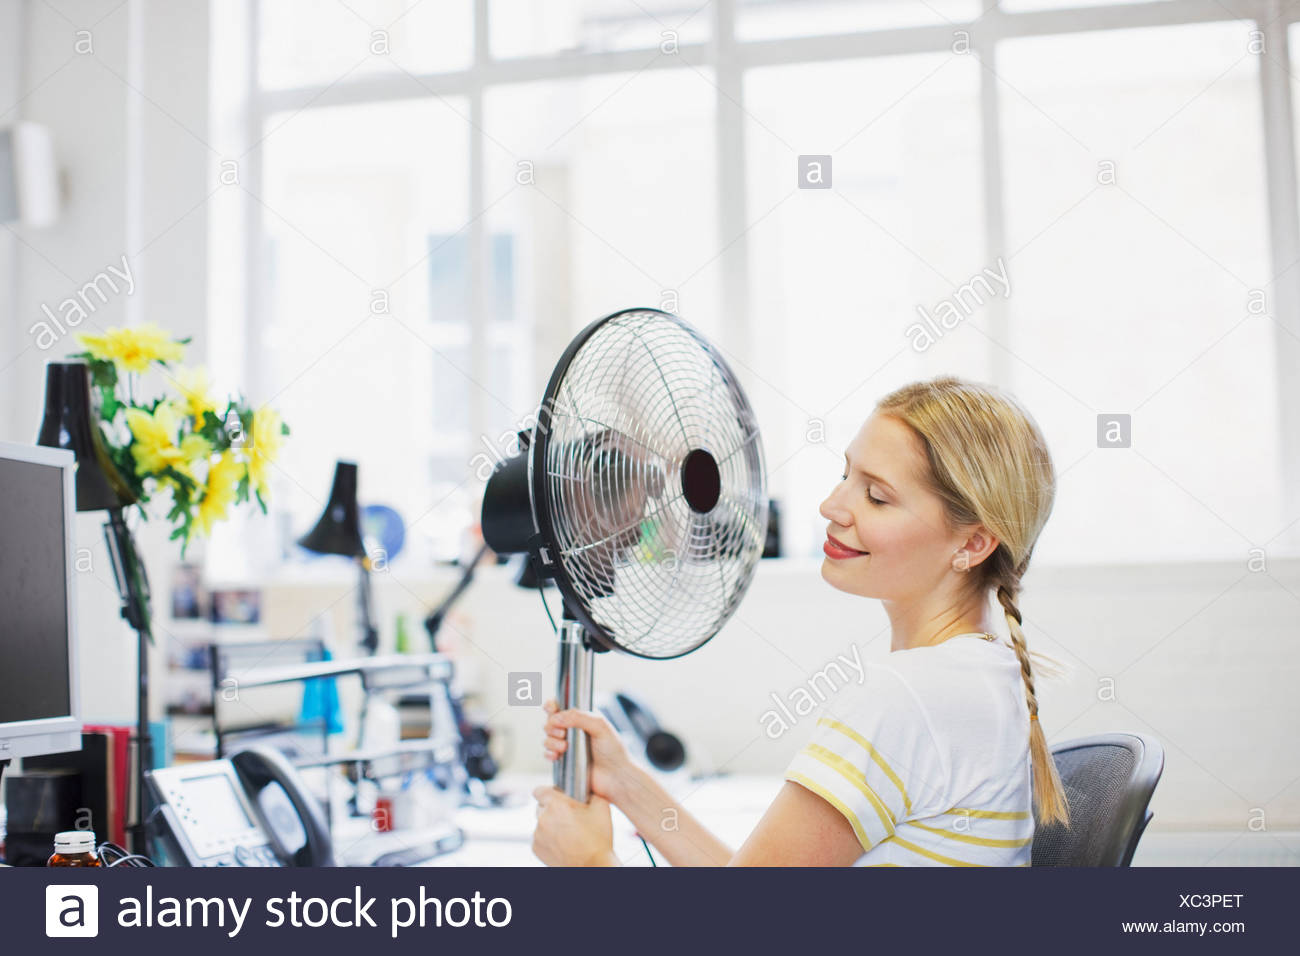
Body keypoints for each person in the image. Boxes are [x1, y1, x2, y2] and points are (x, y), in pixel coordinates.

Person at [531, 375, 1071, 866]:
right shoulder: (980, 673)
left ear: (972, 543)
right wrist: (627, 784)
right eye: (845, 475)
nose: (832, 505)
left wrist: (587, 863)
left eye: (877, 497)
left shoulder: (905, 698)